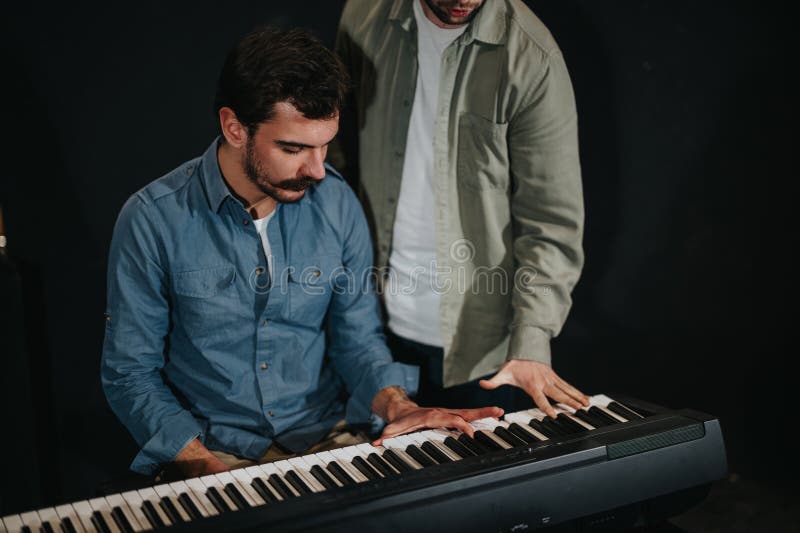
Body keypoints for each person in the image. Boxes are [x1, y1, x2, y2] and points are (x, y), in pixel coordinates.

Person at [101, 26, 501, 479]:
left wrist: (396, 405)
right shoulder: (152, 219)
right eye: (293, 148)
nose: (316, 169)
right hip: (212, 448)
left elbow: (357, 338)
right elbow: (130, 374)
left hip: (328, 436)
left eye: (324, 144)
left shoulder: (336, 201)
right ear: (235, 128)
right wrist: (203, 469)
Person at [330, 0, 589, 417]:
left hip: (484, 354)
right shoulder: (363, 18)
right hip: (374, 329)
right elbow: (335, 154)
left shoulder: (532, 57)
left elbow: (552, 223)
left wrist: (532, 338)